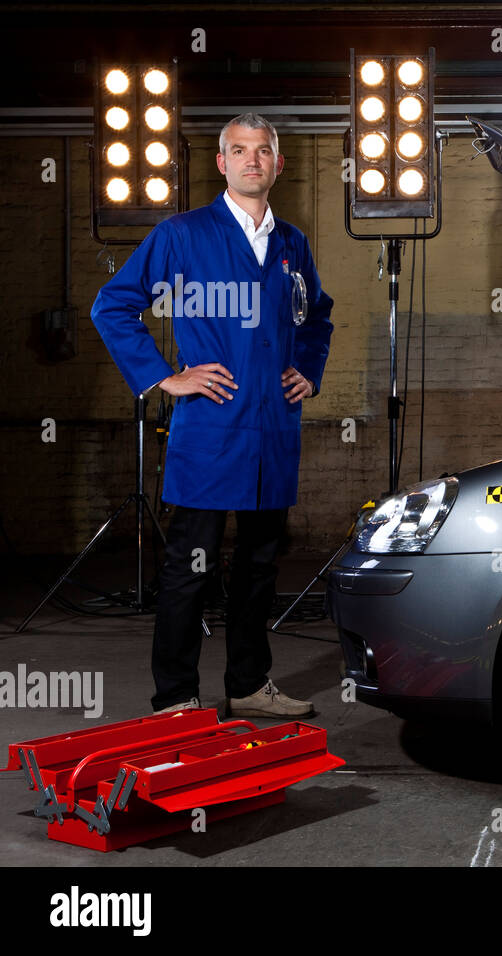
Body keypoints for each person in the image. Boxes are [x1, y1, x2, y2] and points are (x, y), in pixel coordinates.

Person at [91, 113, 333, 717]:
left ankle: (250, 685)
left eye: (264, 151)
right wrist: (164, 377)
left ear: (279, 164)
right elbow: (113, 304)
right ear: (221, 163)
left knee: (258, 568)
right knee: (188, 569)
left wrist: (308, 366)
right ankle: (175, 697)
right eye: (239, 150)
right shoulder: (182, 234)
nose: (253, 160)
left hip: (273, 429)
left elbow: (316, 316)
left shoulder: (292, 243)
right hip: (211, 426)